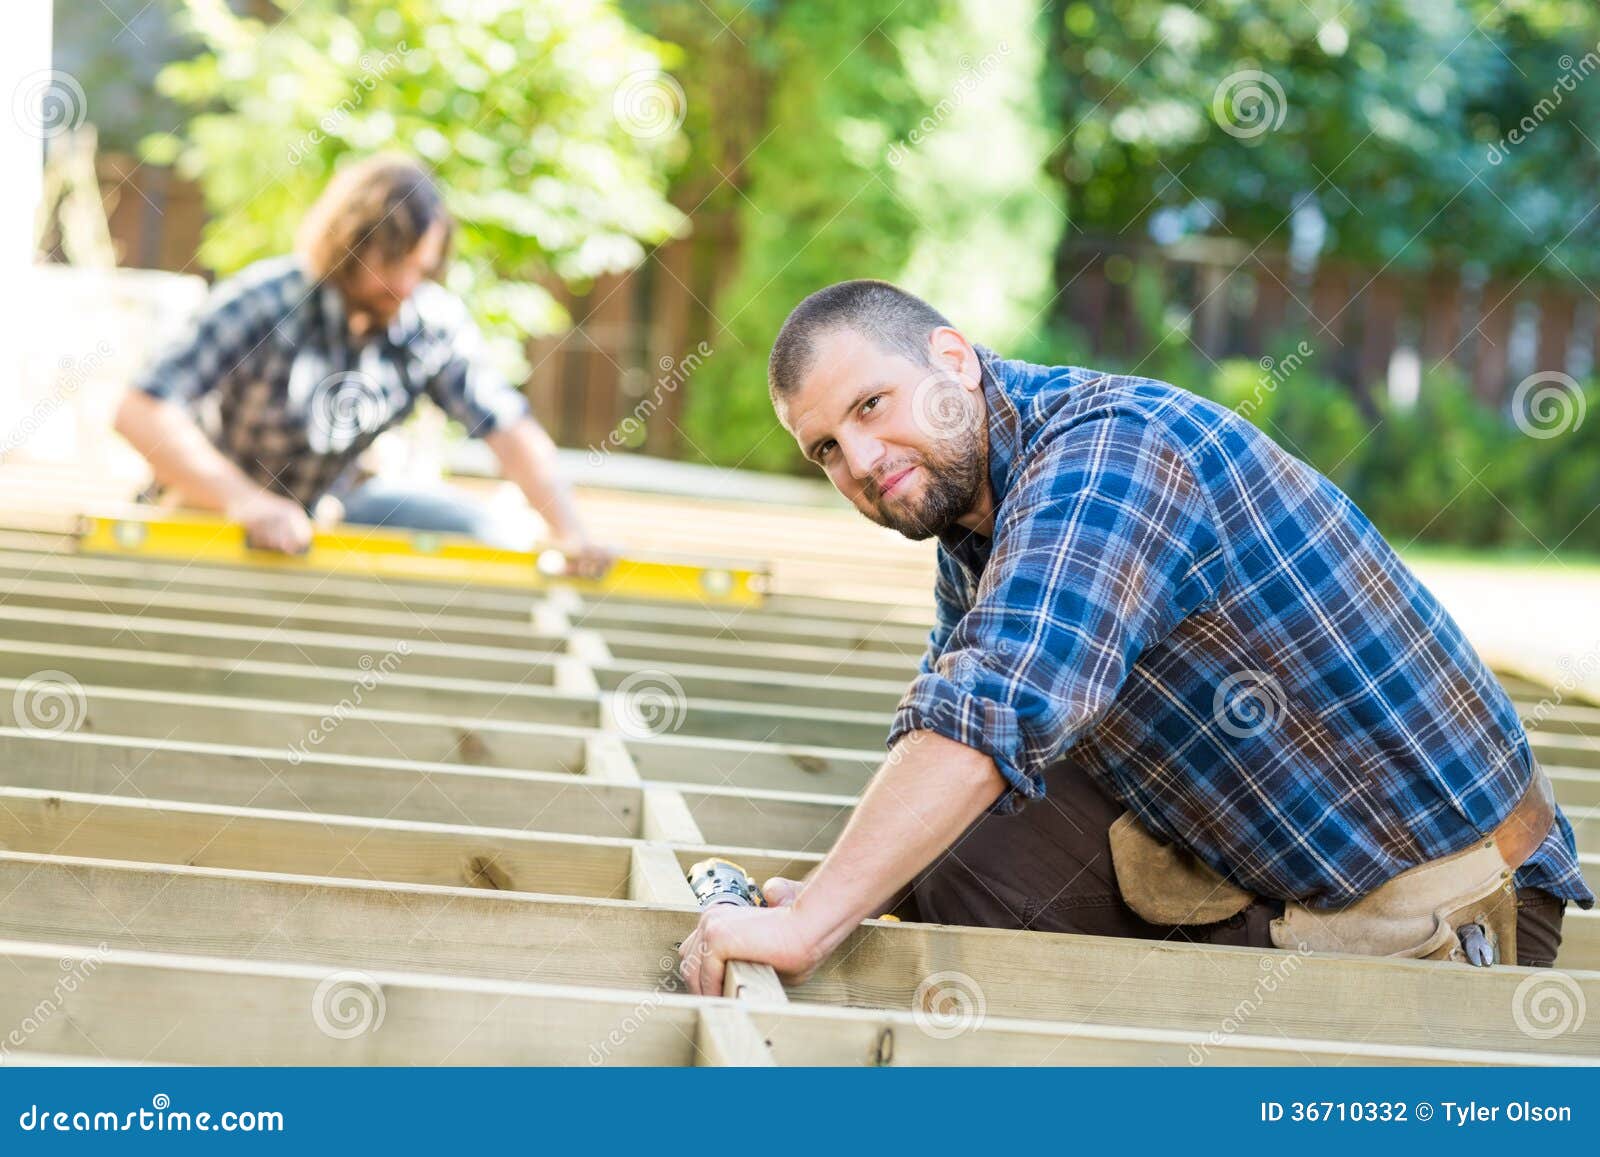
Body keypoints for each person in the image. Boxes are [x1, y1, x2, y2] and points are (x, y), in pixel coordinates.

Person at [677, 279, 1593, 995]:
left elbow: (992, 706)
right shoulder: (977, 520)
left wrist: (811, 927)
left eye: (871, 404)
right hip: (1280, 863)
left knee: (967, 827)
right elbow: (946, 717)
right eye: (827, 448)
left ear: (953, 360)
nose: (864, 462)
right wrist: (845, 893)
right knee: (958, 851)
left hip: (1446, 912)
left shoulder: (1110, 456)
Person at [114, 154, 608, 573]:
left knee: (484, 534)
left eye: (420, 266)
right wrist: (246, 502)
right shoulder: (265, 301)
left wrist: (572, 532)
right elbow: (140, 410)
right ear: (347, 245)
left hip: (324, 513)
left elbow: (507, 426)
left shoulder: (428, 322)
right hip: (207, 509)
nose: (407, 283)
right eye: (392, 265)